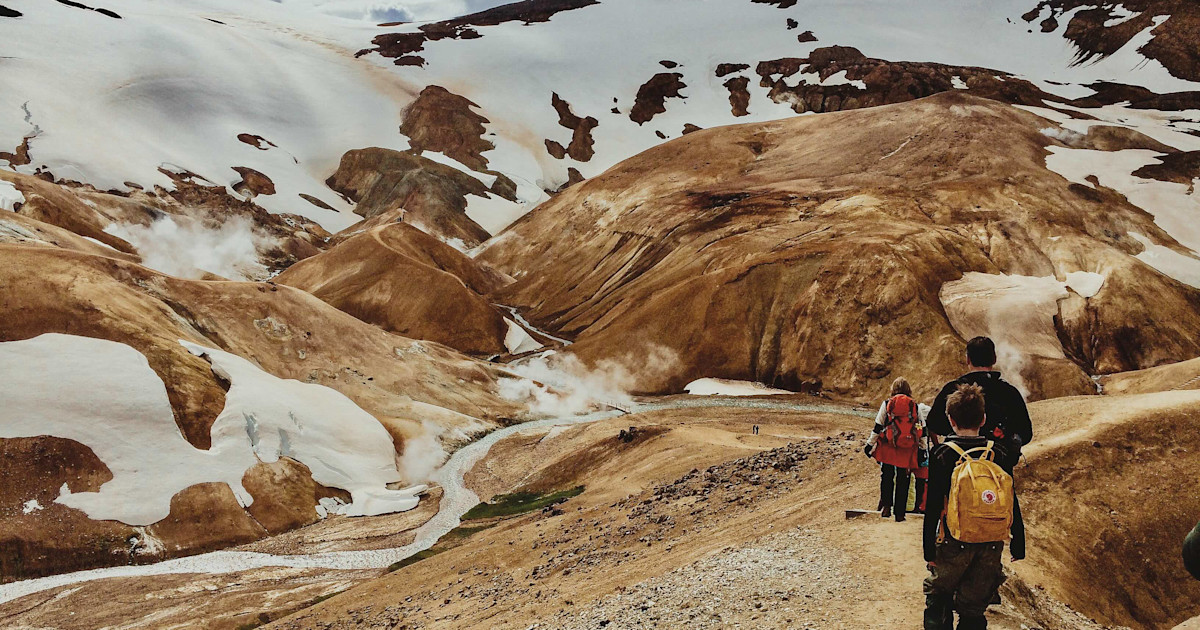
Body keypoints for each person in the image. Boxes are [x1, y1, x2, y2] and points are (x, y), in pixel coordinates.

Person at [923, 383, 1025, 630]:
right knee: (973, 609)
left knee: (939, 596)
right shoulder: (998, 453)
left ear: (950, 420)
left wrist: (929, 551)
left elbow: (933, 506)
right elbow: (1011, 498)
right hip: (991, 544)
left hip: (952, 541)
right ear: (984, 419)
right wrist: (1018, 541)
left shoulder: (942, 454)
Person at [926, 336, 1030, 560]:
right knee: (1006, 491)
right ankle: (1015, 546)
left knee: (946, 502)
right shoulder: (1008, 393)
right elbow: (1026, 433)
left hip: (955, 464)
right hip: (996, 466)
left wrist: (957, 431)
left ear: (967, 359)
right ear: (994, 359)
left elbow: (933, 423)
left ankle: (943, 548)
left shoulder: (953, 390)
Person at [864, 377, 928, 522]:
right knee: (903, 479)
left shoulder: (887, 404)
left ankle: (886, 507)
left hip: (888, 446)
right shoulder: (914, 406)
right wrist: (922, 449)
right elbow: (922, 429)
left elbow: (878, 426)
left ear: (893, 389)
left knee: (886, 476)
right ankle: (900, 513)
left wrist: (869, 444)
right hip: (906, 448)